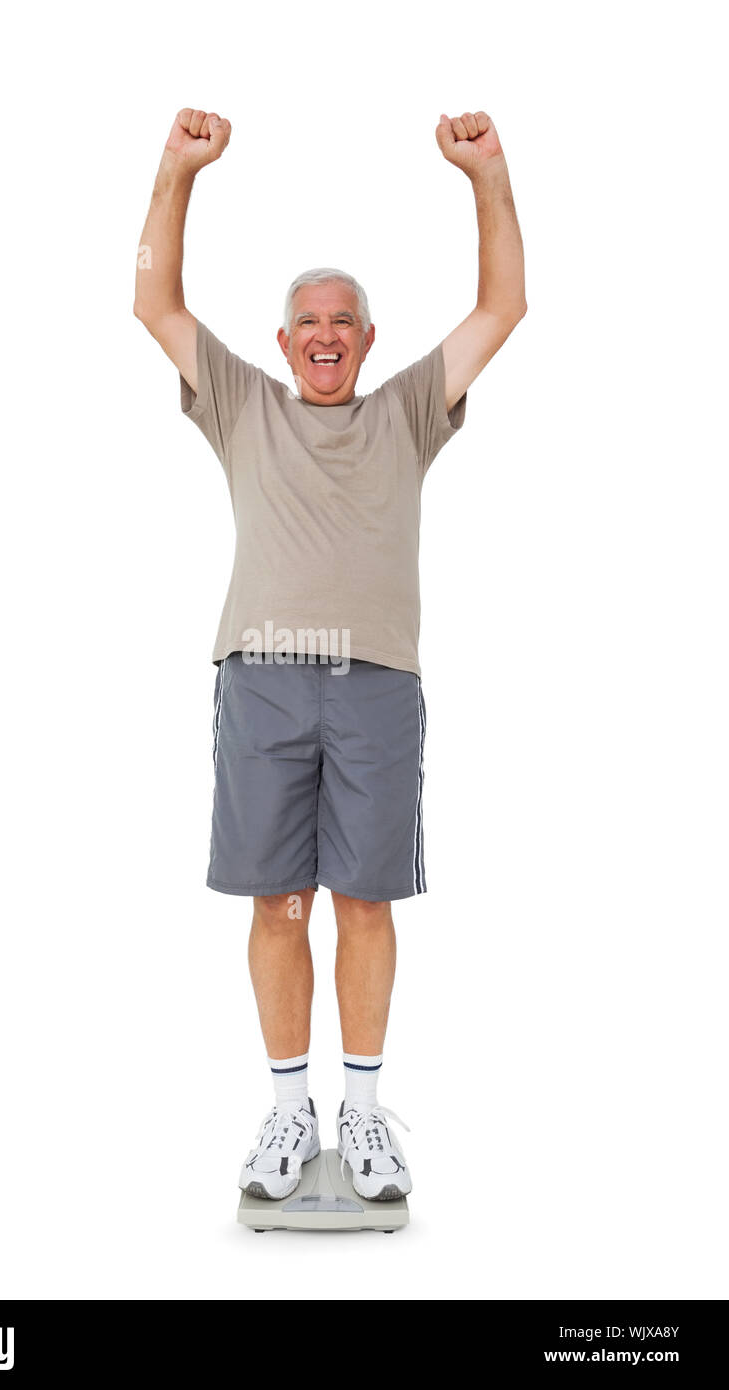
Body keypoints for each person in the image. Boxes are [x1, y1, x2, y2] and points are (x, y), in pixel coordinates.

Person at [134, 107, 526, 1203]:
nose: (323, 331)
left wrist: (484, 176)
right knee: (277, 905)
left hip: (376, 688)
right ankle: (282, 1110)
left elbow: (503, 306)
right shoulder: (242, 404)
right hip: (259, 680)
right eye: (305, 318)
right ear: (282, 340)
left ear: (363, 337)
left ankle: (361, 1114)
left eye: (341, 319)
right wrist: (177, 171)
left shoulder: (406, 409)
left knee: (361, 902)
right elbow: (151, 300)